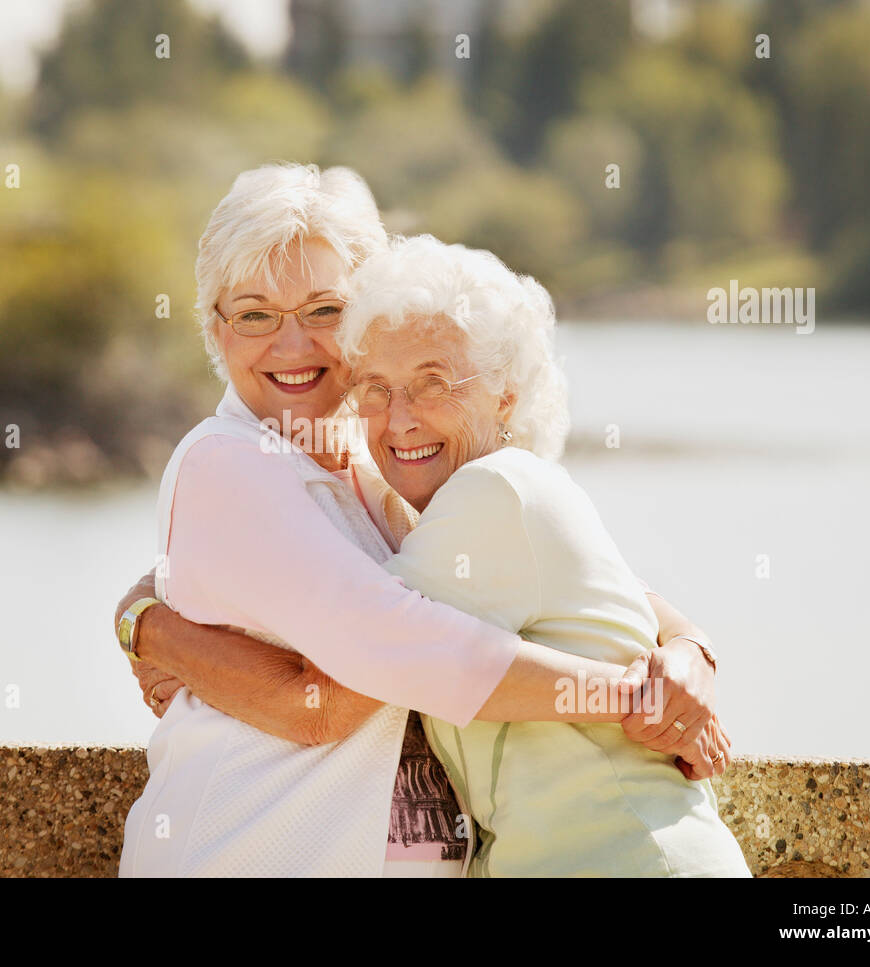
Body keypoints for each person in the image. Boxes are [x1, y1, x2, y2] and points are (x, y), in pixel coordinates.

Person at [114, 164, 731, 878]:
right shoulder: (227, 462)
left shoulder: (378, 469)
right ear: (216, 330)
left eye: (323, 311)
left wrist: (689, 648)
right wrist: (625, 694)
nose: (291, 345)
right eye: (254, 314)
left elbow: (559, 573)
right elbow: (362, 674)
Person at [326, 234, 750, 875]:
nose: (399, 419)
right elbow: (633, 600)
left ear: (505, 395)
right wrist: (692, 643)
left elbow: (350, 644)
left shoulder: (494, 490)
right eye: (376, 389)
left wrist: (157, 626)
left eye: (433, 383)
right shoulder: (501, 498)